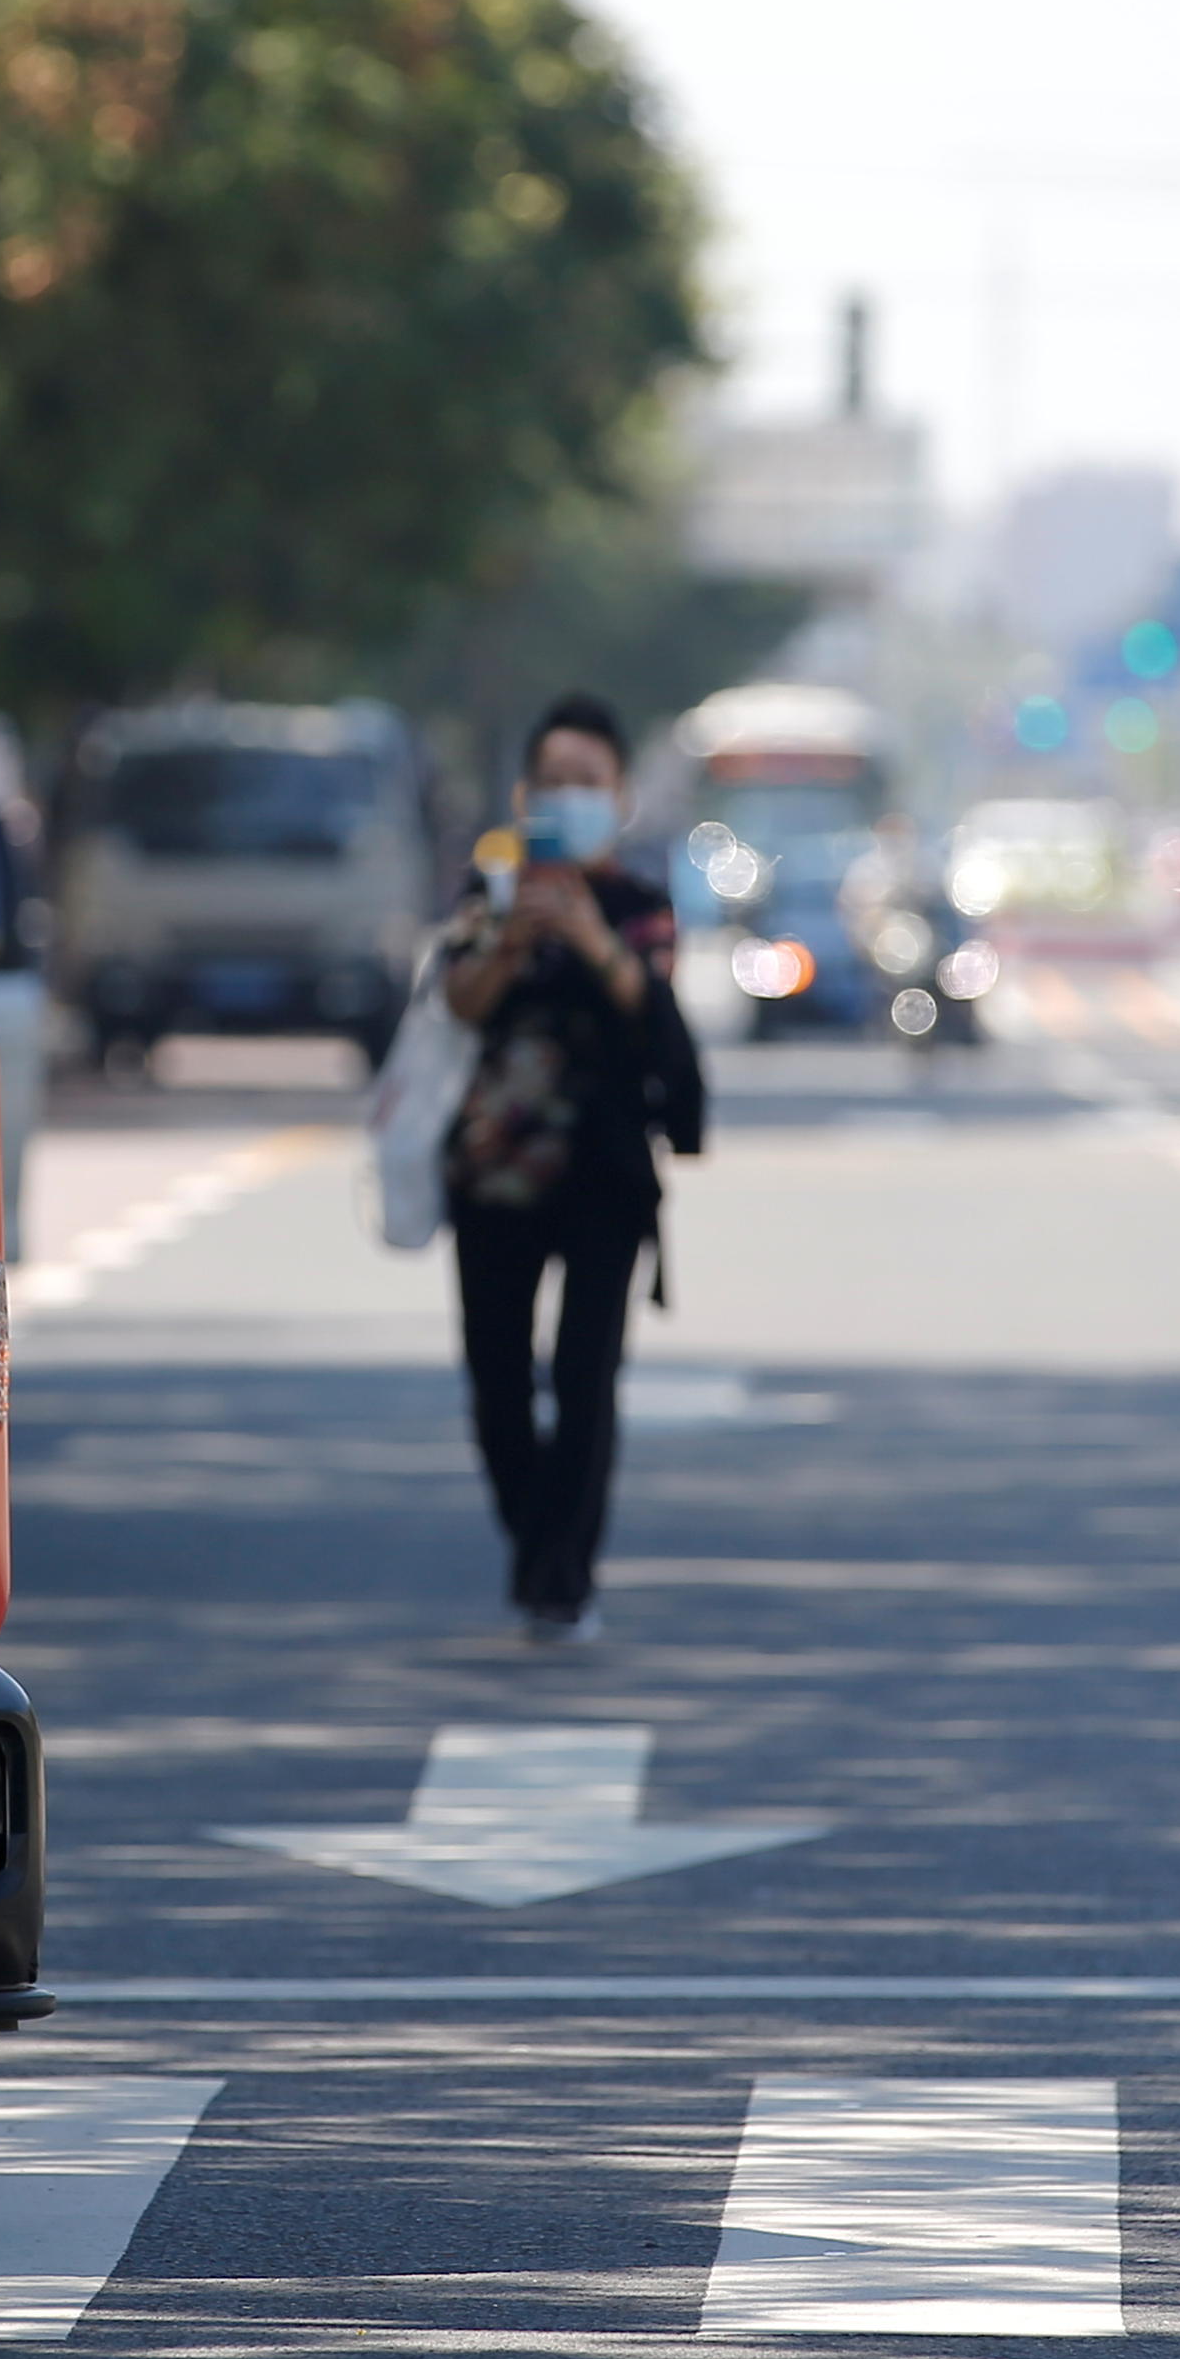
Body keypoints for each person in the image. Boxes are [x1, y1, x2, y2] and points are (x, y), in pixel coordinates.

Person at [431, 694, 704, 1645]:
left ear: (620, 796)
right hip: (493, 1175)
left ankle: (563, 1580)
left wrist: (585, 932)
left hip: (603, 1178)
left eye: (587, 782)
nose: (568, 797)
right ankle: (536, 1544)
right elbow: (457, 1001)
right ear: (523, 792)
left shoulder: (638, 903)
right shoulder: (487, 888)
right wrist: (513, 936)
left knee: (586, 1379)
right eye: (553, 781)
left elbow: (650, 1005)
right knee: (497, 1383)